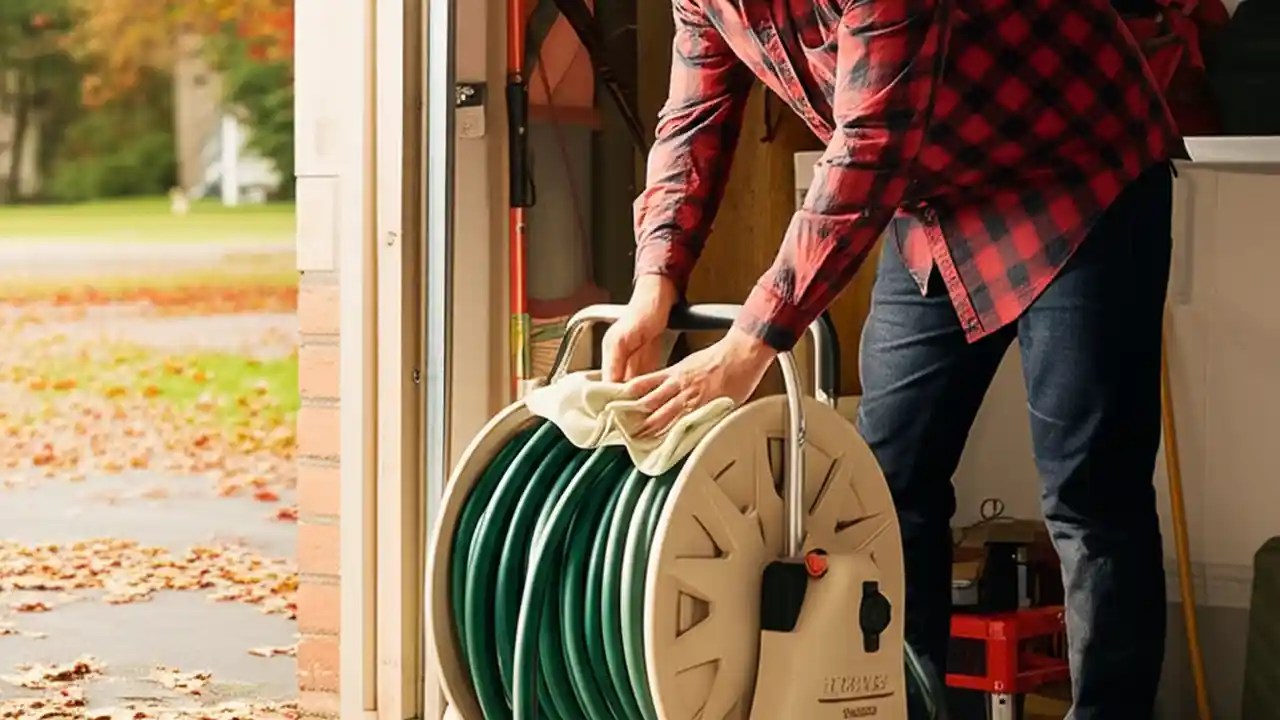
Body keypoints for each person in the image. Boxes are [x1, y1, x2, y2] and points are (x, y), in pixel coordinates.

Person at [602, 0, 1179, 717]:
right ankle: (903, 703)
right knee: (883, 488)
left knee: (1091, 496)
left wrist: (753, 342)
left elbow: (871, 143)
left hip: (1078, 177)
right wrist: (653, 286)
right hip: (934, 201)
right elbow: (693, 119)